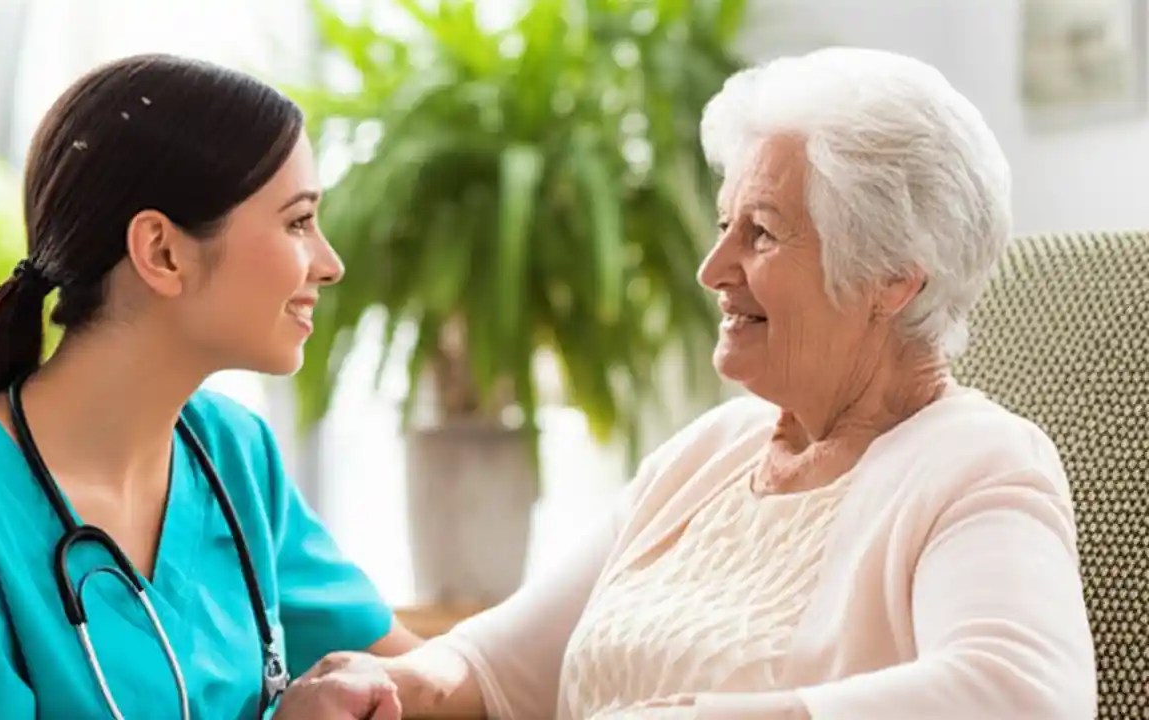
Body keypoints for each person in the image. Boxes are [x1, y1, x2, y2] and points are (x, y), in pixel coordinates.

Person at [302, 48, 1098, 719]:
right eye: (724, 226)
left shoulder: (976, 463)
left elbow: (1024, 698)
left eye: (762, 233)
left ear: (891, 278)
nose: (713, 269)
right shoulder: (714, 450)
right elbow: (498, 665)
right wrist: (394, 682)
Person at [0, 54, 417, 719]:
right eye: (298, 222)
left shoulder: (233, 453)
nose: (329, 264)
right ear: (161, 251)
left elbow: (417, 682)